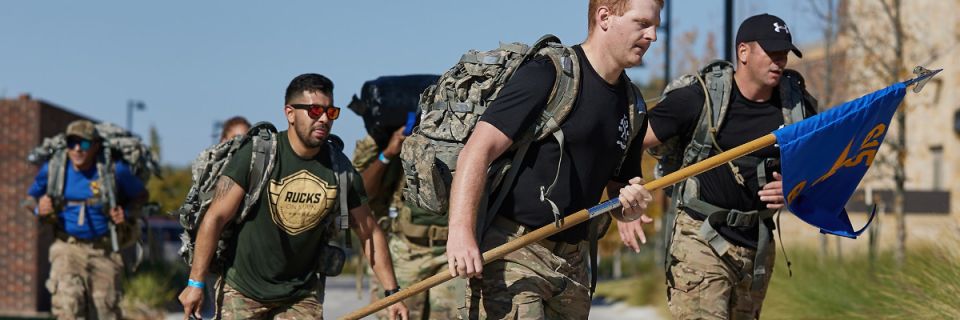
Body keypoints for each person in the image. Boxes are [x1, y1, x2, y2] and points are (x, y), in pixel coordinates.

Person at [445, 0, 662, 318]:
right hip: (514, 252)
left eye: (655, 25)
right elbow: (477, 151)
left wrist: (630, 205)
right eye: (642, 23)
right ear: (605, 17)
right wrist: (461, 232)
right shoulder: (549, 73)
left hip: (574, 265)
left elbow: (620, 189)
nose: (653, 36)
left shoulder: (633, 105)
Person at [631, 13, 817, 319]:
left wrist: (795, 186)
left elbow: (821, 166)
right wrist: (625, 198)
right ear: (743, 52)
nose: (779, 61)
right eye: (771, 52)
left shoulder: (797, 108)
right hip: (700, 239)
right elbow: (630, 142)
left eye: (784, 53)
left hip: (757, 245)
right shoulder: (699, 98)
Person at [177, 73, 408, 320]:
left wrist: (392, 293)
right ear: (290, 113)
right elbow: (215, 217)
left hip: (301, 295)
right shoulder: (258, 155)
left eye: (330, 113)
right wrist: (196, 283)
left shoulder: (339, 169)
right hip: (244, 290)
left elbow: (369, 232)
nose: (323, 119)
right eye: (315, 110)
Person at [28, 119, 148, 320]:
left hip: (104, 251)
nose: (77, 149)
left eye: (83, 144)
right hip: (67, 248)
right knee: (68, 305)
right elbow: (29, 199)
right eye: (71, 143)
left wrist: (125, 212)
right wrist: (38, 208)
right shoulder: (55, 169)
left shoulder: (114, 170)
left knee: (105, 311)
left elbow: (141, 196)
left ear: (96, 146)